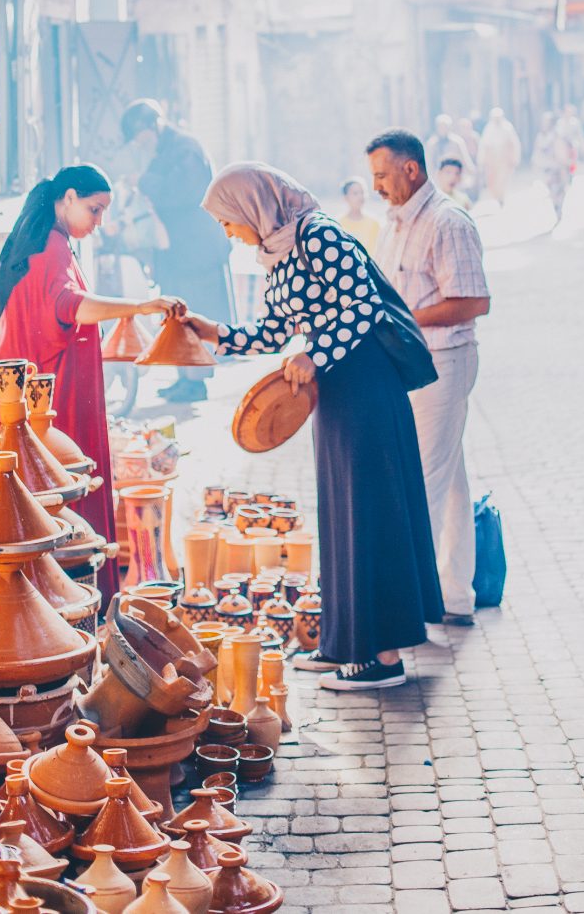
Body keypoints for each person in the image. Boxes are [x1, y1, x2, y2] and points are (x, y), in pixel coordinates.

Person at [180, 162, 442, 690]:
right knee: (342, 512)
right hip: (337, 390)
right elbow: (277, 329)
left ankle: (382, 659)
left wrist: (316, 354)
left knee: (369, 512)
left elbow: (364, 307)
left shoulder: (319, 235)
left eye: (229, 221)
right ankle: (345, 642)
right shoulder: (279, 250)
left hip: (367, 384)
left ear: (253, 208)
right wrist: (215, 333)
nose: (228, 232)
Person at [0, 164, 178, 600]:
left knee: (41, 507)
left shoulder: (47, 240)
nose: (100, 221)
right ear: (67, 198)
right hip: (45, 399)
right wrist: (142, 305)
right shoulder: (50, 245)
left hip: (31, 391)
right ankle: (65, 613)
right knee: (60, 502)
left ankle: (46, 611)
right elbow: (69, 307)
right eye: (95, 209)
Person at [368, 130, 490, 625]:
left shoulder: (448, 222)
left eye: (381, 175)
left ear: (410, 170)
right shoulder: (394, 224)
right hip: (413, 365)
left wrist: (404, 319)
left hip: (444, 362)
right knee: (449, 476)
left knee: (425, 481)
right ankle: (455, 594)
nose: (375, 186)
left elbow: (474, 301)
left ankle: (408, 608)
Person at [120, 100, 232, 403]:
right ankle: (186, 377)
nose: (140, 144)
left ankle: (195, 382)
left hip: (196, 251)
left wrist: (141, 181)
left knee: (194, 311)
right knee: (179, 313)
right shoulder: (165, 150)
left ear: (153, 125)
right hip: (180, 251)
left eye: (140, 135)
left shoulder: (185, 147)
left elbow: (182, 191)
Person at [476, 107, 521, 205]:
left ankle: (501, 197)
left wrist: (515, 158)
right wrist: (481, 161)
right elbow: (483, 146)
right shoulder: (489, 128)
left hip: (504, 158)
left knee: (503, 179)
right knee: (492, 181)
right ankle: (497, 197)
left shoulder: (507, 127)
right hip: (492, 160)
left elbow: (514, 143)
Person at [426, 114, 475, 186]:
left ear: (449, 127)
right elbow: (429, 163)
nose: (443, 129)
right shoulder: (432, 143)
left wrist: (471, 172)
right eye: (441, 126)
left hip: (455, 177)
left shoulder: (457, 142)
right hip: (438, 179)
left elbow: (465, 160)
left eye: (445, 126)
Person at [339, 177, 380, 253]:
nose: (360, 196)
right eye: (355, 193)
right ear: (345, 198)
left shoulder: (374, 223)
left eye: (362, 192)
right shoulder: (339, 224)